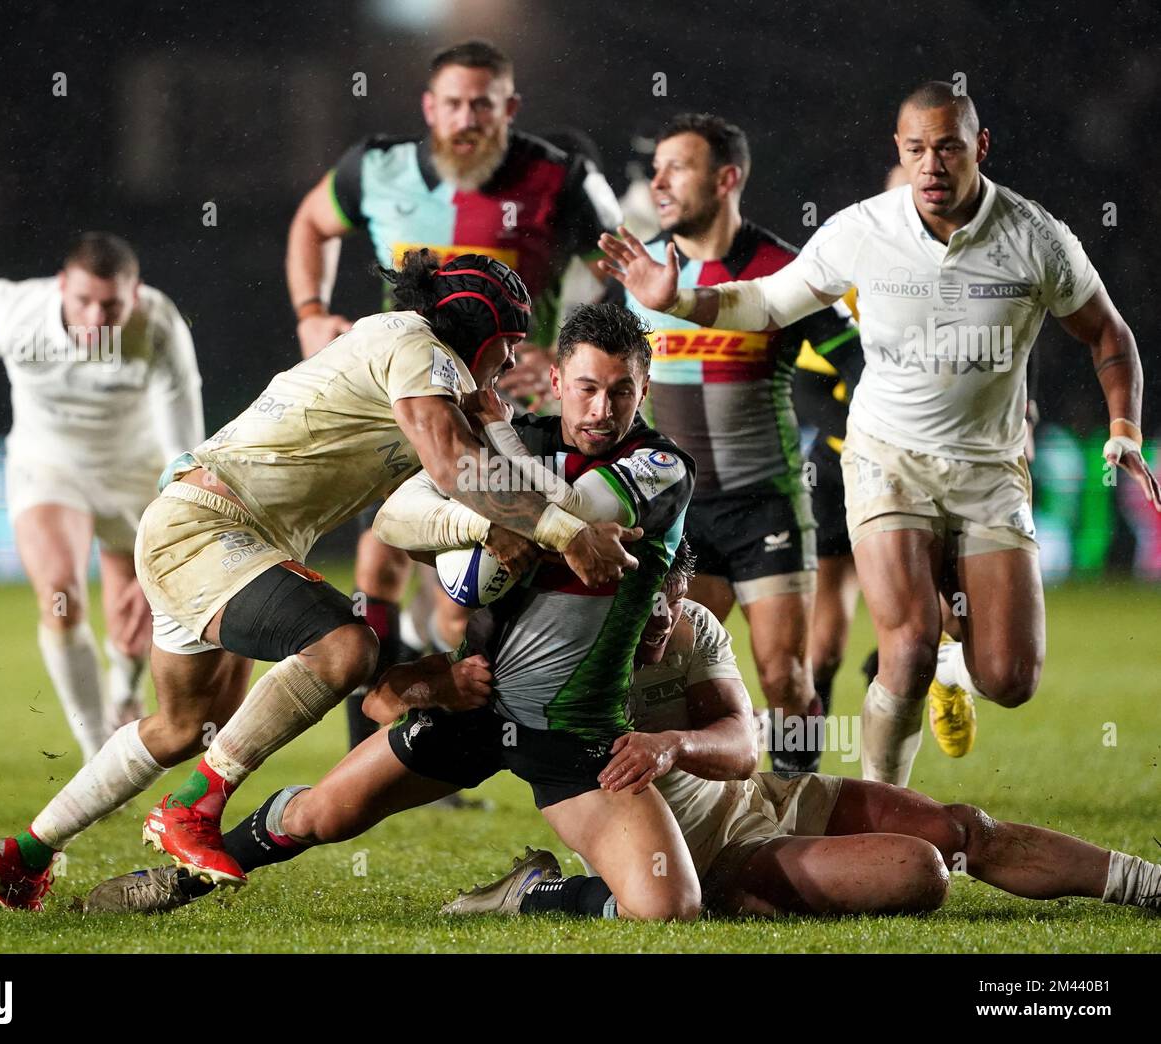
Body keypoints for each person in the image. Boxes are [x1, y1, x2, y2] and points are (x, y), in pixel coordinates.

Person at [0, 252, 638, 910]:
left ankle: (26, 852)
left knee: (186, 725)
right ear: (482, 337)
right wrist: (567, 535)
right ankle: (192, 807)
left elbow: (422, 513)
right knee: (345, 648)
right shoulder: (416, 348)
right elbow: (459, 472)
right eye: (511, 346)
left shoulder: (416, 368)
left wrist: (494, 455)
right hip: (211, 531)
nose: (512, 363)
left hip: (209, 530)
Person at [600, 81, 1161, 787]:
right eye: (916, 148)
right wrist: (678, 298)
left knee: (1011, 677)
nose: (932, 164)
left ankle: (956, 663)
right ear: (899, 151)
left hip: (988, 473)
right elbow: (770, 303)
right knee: (904, 646)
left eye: (949, 147)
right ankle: (886, 811)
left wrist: (1123, 427)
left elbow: (1108, 332)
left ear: (979, 148)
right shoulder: (861, 230)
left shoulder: (1035, 237)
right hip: (884, 459)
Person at [85, 303, 702, 920]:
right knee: (318, 814)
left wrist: (499, 448)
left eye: (622, 392)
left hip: (572, 728)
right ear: (559, 383)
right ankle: (171, 884)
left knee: (666, 906)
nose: (602, 410)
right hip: (473, 697)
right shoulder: (498, 442)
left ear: (644, 389)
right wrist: (473, 519)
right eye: (588, 388)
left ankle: (526, 896)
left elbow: (574, 510)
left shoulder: (660, 466)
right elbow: (393, 516)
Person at [441, 558, 1161, 919]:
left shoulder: (690, 626)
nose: (660, 617)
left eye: (672, 596)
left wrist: (672, 745)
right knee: (922, 872)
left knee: (960, 826)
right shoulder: (563, 655)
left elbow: (741, 743)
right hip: (712, 855)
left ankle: (1145, 883)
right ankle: (547, 893)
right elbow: (471, 731)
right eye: (642, 601)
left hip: (763, 797)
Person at [287, 39, 622, 749]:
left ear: (510, 107)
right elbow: (311, 223)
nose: (466, 117)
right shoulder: (375, 170)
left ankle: (459, 741)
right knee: (377, 561)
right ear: (428, 107)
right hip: (408, 403)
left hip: (502, 414)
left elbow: (621, 276)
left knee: (471, 582)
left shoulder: (560, 176)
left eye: (482, 103)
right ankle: (372, 749)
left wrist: (563, 358)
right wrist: (311, 312)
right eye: (453, 103)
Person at [611, 113, 860, 773]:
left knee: (785, 678)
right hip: (680, 514)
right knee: (680, 679)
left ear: (727, 178)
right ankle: (708, 830)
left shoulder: (785, 270)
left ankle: (798, 804)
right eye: (656, 168)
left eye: (677, 168)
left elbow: (857, 364)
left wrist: (864, 444)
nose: (658, 182)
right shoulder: (641, 274)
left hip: (766, 505)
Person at [0, 232, 203, 761]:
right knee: (60, 596)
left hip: (135, 475)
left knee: (136, 628)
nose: (95, 318)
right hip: (49, 468)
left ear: (134, 294)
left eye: (110, 305)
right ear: (61, 286)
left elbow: (183, 451)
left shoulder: (158, 326)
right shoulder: (14, 312)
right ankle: (97, 753)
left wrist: (168, 537)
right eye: (83, 301)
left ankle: (123, 687)